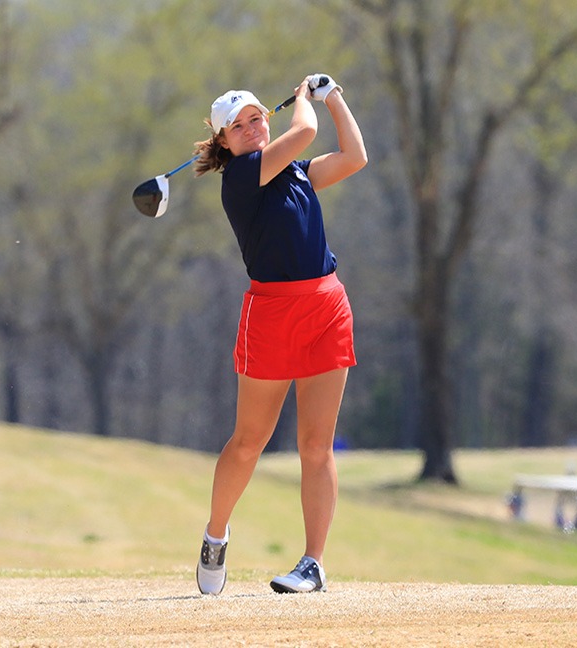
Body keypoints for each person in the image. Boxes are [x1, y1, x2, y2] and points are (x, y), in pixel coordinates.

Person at [190, 73, 367, 595]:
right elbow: (306, 132)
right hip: (271, 313)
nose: (250, 128)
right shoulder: (242, 175)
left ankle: (312, 563)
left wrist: (333, 96)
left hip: (326, 306)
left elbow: (354, 157)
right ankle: (215, 535)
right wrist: (307, 100)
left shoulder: (297, 174)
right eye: (238, 126)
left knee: (316, 445)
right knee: (250, 441)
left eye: (256, 117)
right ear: (224, 141)